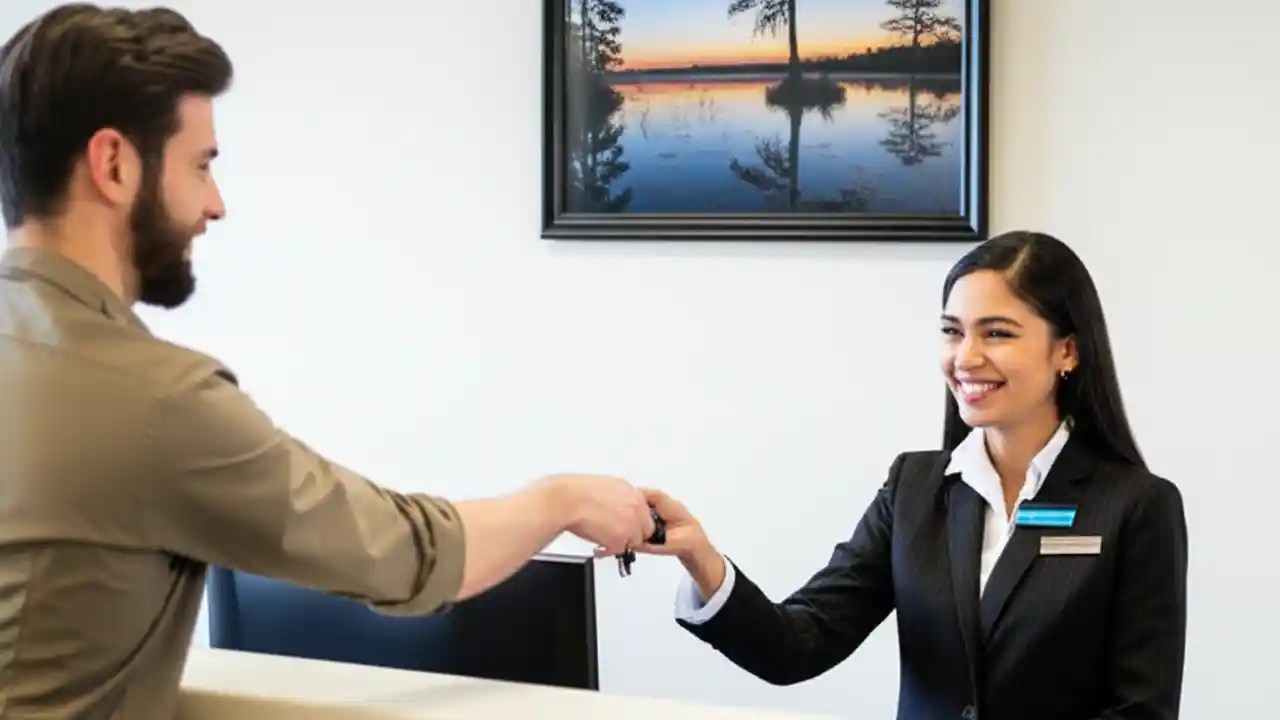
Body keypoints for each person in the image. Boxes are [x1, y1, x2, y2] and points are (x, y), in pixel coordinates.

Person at [0, 5, 656, 718]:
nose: (215, 205)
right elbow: (409, 557)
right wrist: (561, 501)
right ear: (115, 164)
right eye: (201, 165)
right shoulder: (152, 403)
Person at [634, 231, 1188, 720]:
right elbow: (797, 645)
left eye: (996, 333)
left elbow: (1141, 710)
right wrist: (701, 559)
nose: (966, 357)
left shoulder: (1137, 506)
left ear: (1066, 350)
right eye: (953, 331)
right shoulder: (915, 489)